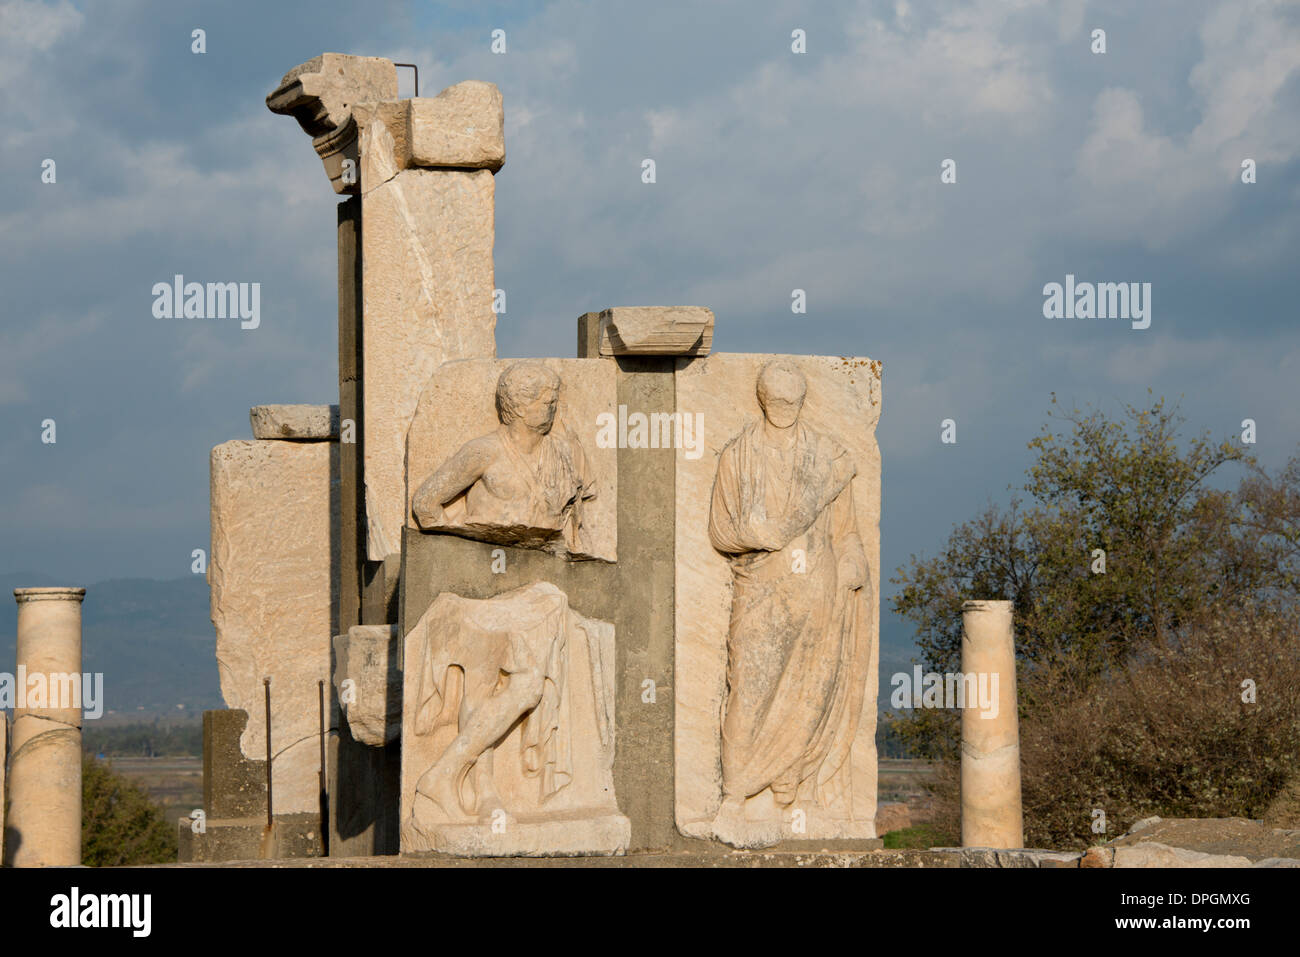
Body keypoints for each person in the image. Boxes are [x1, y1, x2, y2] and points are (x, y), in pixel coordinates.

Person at [707, 360, 871, 846]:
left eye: (792, 402)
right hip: (759, 588)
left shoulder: (829, 457)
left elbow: (847, 531)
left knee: (811, 690)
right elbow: (720, 529)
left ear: (801, 402)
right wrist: (756, 533)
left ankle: (788, 796)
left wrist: (853, 560)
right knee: (750, 693)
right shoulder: (738, 455)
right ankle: (734, 796)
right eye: (776, 402)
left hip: (817, 595)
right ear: (762, 400)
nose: (784, 410)